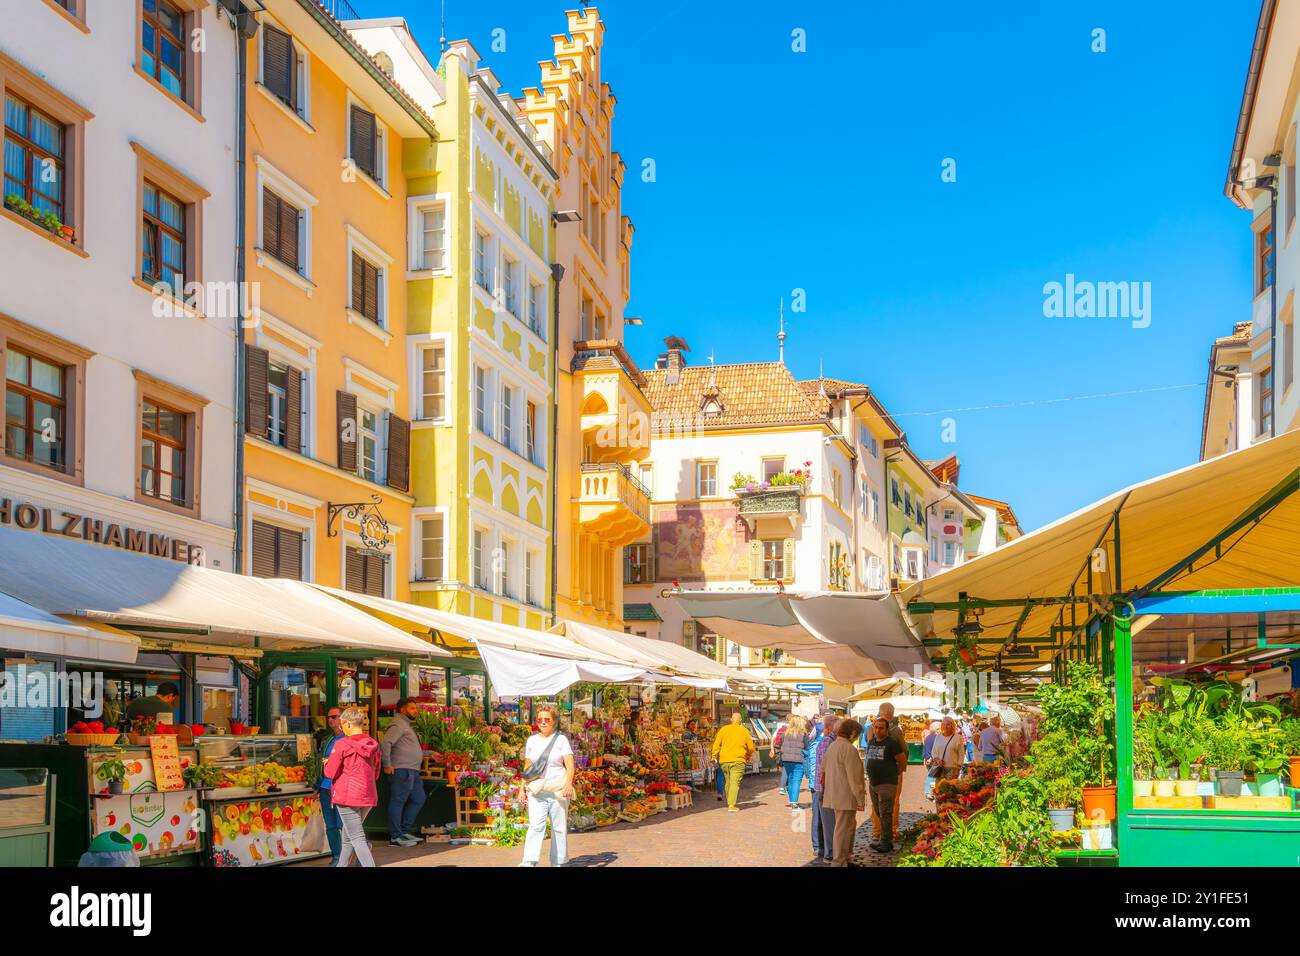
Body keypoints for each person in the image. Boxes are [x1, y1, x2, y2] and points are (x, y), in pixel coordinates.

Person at [323, 705, 382, 867]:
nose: (341, 728)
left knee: (356, 838)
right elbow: (376, 773)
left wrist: (326, 763)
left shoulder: (342, 744)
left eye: (342, 724)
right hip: (368, 795)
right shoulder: (374, 744)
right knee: (348, 838)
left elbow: (330, 773)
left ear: (348, 724)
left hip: (347, 796)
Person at [519, 705, 575, 867]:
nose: (543, 723)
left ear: (554, 721)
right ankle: (529, 861)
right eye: (540, 720)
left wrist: (568, 784)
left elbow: (570, 764)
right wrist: (522, 787)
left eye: (547, 720)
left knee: (559, 827)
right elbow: (528, 766)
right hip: (537, 789)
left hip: (558, 789)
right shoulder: (532, 740)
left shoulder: (561, 740)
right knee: (535, 826)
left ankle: (559, 861)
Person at [380, 698, 426, 847]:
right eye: (412, 708)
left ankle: (404, 831)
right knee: (398, 802)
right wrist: (387, 764)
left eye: (415, 708)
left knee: (419, 798)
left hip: (412, 771)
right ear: (402, 710)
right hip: (401, 770)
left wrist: (430, 754)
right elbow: (386, 743)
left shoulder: (406, 725)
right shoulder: (398, 724)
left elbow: (408, 748)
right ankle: (395, 836)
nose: (415, 711)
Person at [819, 719, 865, 866]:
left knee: (846, 827)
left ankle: (845, 858)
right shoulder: (849, 749)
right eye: (857, 735)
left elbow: (823, 768)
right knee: (843, 829)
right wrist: (860, 799)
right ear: (853, 733)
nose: (857, 738)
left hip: (834, 793)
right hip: (846, 795)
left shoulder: (832, 746)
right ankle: (839, 861)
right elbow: (855, 778)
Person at [864, 717, 907, 852]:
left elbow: (902, 761)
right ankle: (883, 838)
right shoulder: (871, 742)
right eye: (875, 727)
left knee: (886, 813)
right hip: (873, 783)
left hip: (887, 783)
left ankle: (886, 842)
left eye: (881, 728)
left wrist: (894, 774)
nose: (877, 730)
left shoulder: (892, 743)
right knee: (879, 812)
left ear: (887, 730)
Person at [711, 711, 755, 812]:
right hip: (738, 760)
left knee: (728, 782)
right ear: (740, 720)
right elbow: (751, 747)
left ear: (731, 720)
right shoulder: (744, 731)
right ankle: (731, 805)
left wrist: (714, 756)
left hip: (724, 760)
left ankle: (729, 802)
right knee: (735, 782)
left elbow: (716, 744)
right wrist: (747, 756)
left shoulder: (723, 729)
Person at [316, 707, 344, 864]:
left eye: (334, 717)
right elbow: (320, 764)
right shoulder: (328, 740)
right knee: (331, 825)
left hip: (341, 787)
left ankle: (360, 852)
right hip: (326, 787)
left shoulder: (349, 739)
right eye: (329, 717)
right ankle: (336, 856)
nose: (330, 720)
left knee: (343, 824)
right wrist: (317, 786)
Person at [810, 714, 839, 863]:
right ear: (830, 726)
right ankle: (826, 851)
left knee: (822, 820)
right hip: (823, 787)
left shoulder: (828, 741)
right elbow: (824, 768)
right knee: (826, 821)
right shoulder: (828, 742)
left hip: (821, 786)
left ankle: (822, 848)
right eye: (837, 724)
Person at [774, 714, 809, 809]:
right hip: (798, 760)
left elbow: (779, 744)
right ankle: (794, 802)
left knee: (790, 780)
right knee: (796, 781)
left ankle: (791, 801)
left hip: (786, 759)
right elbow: (807, 746)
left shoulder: (785, 733)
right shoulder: (803, 734)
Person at [928, 716, 965, 794]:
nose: (945, 726)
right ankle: (938, 805)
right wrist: (937, 759)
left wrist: (959, 766)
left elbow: (961, 753)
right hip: (939, 768)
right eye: (943, 724)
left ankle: (948, 806)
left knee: (949, 791)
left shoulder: (958, 738)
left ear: (952, 726)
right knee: (938, 790)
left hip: (953, 768)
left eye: (948, 724)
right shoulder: (938, 737)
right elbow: (933, 751)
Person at [921, 720, 941, 800]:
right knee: (932, 776)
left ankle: (931, 791)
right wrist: (930, 758)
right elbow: (934, 750)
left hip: (928, 758)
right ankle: (928, 792)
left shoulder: (928, 737)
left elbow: (925, 748)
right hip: (932, 758)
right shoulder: (936, 737)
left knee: (933, 776)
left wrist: (925, 758)